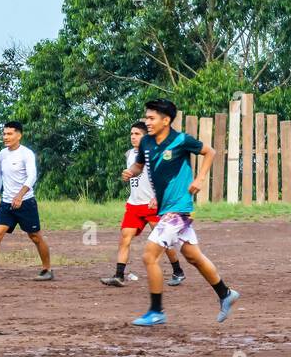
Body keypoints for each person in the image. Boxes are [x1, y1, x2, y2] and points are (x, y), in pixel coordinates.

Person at [125, 99, 239, 326]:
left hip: (179, 209)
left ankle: (156, 311)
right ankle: (225, 293)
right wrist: (130, 172)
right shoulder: (146, 142)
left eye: (152, 118)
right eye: (146, 117)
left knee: (149, 256)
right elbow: (139, 166)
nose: (147, 122)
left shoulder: (181, 140)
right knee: (192, 256)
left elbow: (210, 152)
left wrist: (200, 177)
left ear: (166, 120)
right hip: (165, 207)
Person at [101, 120, 184, 287]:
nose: (133, 137)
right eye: (131, 134)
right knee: (125, 238)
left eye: (137, 134)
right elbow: (135, 173)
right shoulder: (130, 154)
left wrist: (158, 197)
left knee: (163, 241)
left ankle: (178, 271)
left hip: (152, 205)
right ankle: (119, 276)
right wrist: (127, 175)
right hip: (134, 205)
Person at [0, 121, 53, 281]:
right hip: (7, 203)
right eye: (4, 134)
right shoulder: (2, 154)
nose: (5, 137)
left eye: (9, 134)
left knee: (35, 236)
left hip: (25, 202)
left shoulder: (26, 153)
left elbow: (32, 176)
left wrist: (20, 196)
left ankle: (47, 269)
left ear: (19, 135)